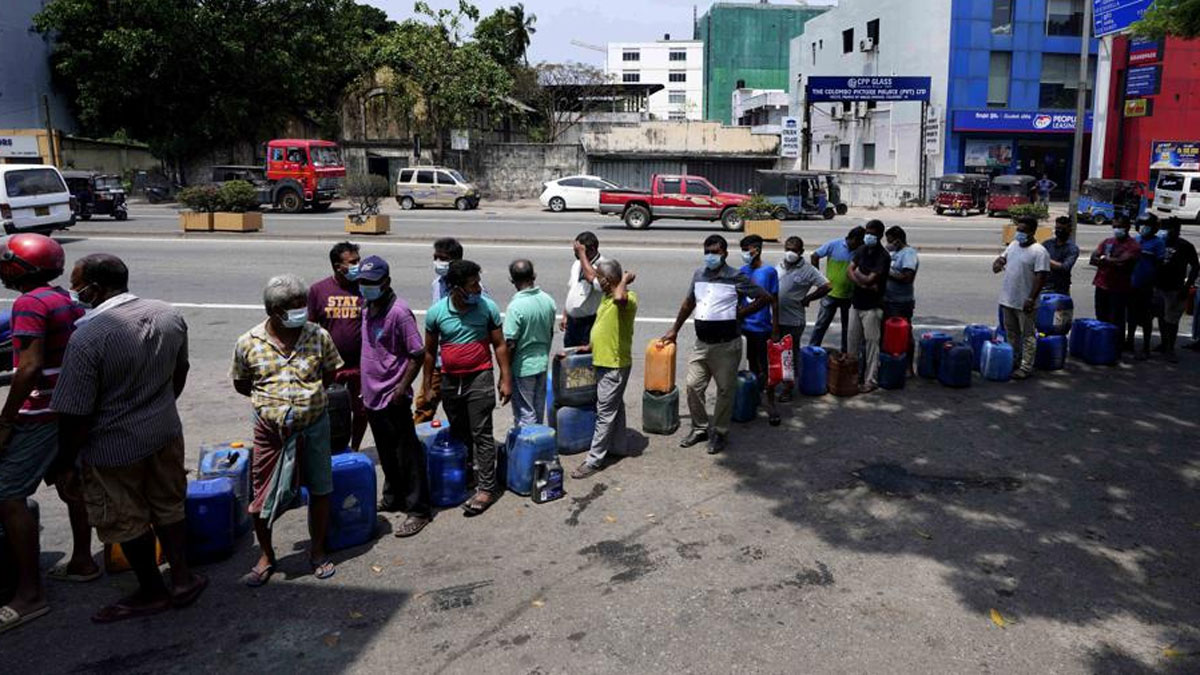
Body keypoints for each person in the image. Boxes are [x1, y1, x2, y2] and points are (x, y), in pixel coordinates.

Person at [52, 254, 207, 622]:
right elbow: (179, 372)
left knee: (125, 519)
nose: (75, 292)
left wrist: (64, 464)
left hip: (112, 449)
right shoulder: (167, 314)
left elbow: (74, 413)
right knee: (169, 504)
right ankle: (182, 579)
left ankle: (152, 591)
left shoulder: (88, 338)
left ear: (97, 287)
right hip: (164, 431)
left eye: (77, 285)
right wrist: (159, 406)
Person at [0, 235, 94, 633]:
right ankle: (83, 561)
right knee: (70, 482)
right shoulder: (65, 301)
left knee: (7, 492)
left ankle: (29, 595)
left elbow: (30, 367)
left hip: (41, 413)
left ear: (21, 267)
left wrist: (6, 420)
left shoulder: (29, 303)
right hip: (72, 407)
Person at [233, 274, 342, 586]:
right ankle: (266, 555)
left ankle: (317, 552)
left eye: (302, 306)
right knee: (261, 498)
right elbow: (242, 384)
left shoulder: (317, 335)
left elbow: (330, 373)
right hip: (271, 433)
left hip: (315, 425)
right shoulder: (249, 342)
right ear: (274, 311)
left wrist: (306, 403)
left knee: (321, 488)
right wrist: (277, 407)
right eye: (293, 308)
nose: (300, 312)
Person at [661, 235, 769, 455]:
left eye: (715, 252)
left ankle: (719, 432)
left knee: (724, 391)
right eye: (707, 252)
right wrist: (674, 330)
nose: (710, 256)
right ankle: (700, 427)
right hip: (702, 344)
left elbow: (764, 297)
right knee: (693, 385)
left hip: (727, 346)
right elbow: (688, 303)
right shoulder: (699, 274)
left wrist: (741, 313)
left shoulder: (735, 276)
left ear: (724, 254)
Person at [423, 260, 512, 516]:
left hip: (480, 378)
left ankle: (486, 488)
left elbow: (500, 345)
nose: (477, 289)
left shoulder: (487, 307)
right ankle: (468, 475)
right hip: (451, 381)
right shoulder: (437, 313)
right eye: (473, 285)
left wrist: (506, 379)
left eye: (478, 283)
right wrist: (427, 386)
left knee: (482, 433)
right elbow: (429, 353)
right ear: (456, 288)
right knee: (459, 432)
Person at [356, 256, 432, 536]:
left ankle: (419, 510)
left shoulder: (399, 312)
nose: (366, 287)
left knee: (407, 455)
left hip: (393, 396)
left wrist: (401, 389)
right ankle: (393, 498)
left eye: (371, 283)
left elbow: (417, 353)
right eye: (362, 282)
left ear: (386, 282)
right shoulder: (366, 306)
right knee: (386, 453)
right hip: (371, 395)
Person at [570, 259, 638, 479]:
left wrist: (625, 279)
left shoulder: (627, 298)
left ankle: (594, 460)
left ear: (608, 281)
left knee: (605, 413)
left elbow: (620, 298)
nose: (596, 280)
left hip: (614, 365)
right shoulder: (606, 297)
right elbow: (604, 325)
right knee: (614, 407)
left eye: (600, 277)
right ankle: (617, 447)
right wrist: (588, 346)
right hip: (602, 360)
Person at [307, 241, 367, 451]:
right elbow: (310, 328)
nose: (357, 266)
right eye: (352, 262)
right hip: (331, 367)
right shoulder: (318, 290)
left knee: (361, 411)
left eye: (358, 261)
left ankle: (355, 448)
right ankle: (331, 449)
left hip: (361, 365)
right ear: (337, 266)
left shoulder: (365, 288)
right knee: (330, 410)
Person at [415, 237, 469, 424]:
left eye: (443, 258)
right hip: (438, 360)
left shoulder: (472, 288)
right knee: (424, 405)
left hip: (460, 361)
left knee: (459, 410)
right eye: (435, 257)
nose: (438, 262)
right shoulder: (437, 284)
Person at [992, 217, 1050, 379]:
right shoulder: (1013, 245)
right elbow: (1003, 258)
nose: (1019, 233)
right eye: (1019, 230)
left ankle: (1025, 366)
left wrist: (1031, 298)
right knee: (1011, 333)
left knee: (1028, 335)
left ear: (1032, 231)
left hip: (1025, 301)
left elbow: (1041, 276)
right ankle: (1013, 360)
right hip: (1008, 298)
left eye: (1023, 230)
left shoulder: (1039, 252)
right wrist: (998, 263)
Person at [774, 236, 830, 402]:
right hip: (775, 319)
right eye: (788, 249)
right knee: (776, 353)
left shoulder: (808, 269)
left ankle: (788, 388)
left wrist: (808, 299)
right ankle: (778, 381)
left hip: (793, 321)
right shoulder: (780, 264)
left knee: (788, 355)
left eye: (794, 250)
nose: (790, 253)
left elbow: (827, 286)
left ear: (801, 252)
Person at [503, 259, 556, 426]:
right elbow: (549, 332)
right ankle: (540, 447)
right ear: (534, 276)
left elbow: (510, 344)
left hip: (522, 368)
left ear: (512, 280)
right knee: (538, 410)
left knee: (525, 413)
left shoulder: (515, 307)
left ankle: (529, 448)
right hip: (541, 363)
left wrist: (505, 374)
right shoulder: (548, 300)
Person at [737, 235, 781, 425]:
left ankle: (770, 401)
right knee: (751, 363)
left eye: (746, 250)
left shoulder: (769, 272)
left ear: (756, 250)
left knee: (766, 366)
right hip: (745, 327)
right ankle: (755, 395)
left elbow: (774, 301)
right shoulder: (742, 271)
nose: (744, 254)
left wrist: (775, 328)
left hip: (762, 327)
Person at [846, 220, 892, 393]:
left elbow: (870, 278)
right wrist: (863, 282)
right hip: (856, 303)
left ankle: (870, 380)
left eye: (872, 234)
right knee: (852, 343)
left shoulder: (882, 256)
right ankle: (851, 377)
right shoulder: (861, 250)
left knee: (872, 345)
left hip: (872, 307)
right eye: (867, 233)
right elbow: (849, 272)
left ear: (879, 235)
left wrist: (860, 277)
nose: (868, 236)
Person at [809, 226, 865, 352]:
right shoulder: (834, 244)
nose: (861, 244)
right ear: (853, 239)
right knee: (821, 325)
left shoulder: (861, 250)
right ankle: (812, 350)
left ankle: (845, 353)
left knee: (848, 328)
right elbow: (815, 256)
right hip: (830, 294)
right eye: (860, 241)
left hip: (850, 296)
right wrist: (819, 279)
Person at [1090, 215, 1140, 347]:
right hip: (1101, 284)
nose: (1117, 229)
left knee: (1116, 318)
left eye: (1120, 227)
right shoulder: (1108, 241)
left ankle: (1116, 346)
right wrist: (1109, 261)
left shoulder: (1133, 245)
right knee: (1101, 316)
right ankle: (1103, 343)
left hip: (1119, 288)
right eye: (1115, 226)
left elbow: (1123, 262)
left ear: (1128, 227)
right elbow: (1093, 258)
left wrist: (1104, 260)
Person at [1153, 218, 1198, 363]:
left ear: (1177, 230)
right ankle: (1163, 343)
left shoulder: (1185, 246)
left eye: (1171, 228)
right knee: (1161, 317)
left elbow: (1195, 267)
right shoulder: (1159, 242)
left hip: (1175, 289)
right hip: (1159, 286)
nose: (1167, 232)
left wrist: (1187, 286)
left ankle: (1170, 349)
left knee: (1171, 320)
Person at [1128, 214, 1164, 359]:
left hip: (1147, 287)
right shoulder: (1136, 240)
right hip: (1133, 284)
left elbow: (1160, 265)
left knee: (1146, 318)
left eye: (1146, 225)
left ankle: (1146, 347)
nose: (1143, 228)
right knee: (1131, 316)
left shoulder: (1158, 243)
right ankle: (1129, 342)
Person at [883, 225, 919, 375]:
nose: (888, 243)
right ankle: (892, 365)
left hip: (901, 302)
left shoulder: (908, 254)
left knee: (905, 333)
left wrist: (886, 271)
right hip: (888, 299)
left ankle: (908, 367)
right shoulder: (895, 252)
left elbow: (907, 277)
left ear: (898, 241)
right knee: (889, 334)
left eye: (890, 240)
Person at [561, 232, 605, 348]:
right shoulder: (577, 264)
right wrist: (565, 314)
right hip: (572, 323)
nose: (576, 254)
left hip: (588, 324)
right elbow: (572, 288)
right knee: (569, 357)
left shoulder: (602, 266)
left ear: (591, 249)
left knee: (583, 361)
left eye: (579, 250)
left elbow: (593, 279)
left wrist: (582, 255)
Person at [1041, 216, 1080, 296]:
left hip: (1060, 289)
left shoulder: (1072, 249)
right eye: (1057, 228)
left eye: (1063, 229)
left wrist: (1045, 259)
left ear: (1069, 230)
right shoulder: (1047, 244)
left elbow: (1064, 267)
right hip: (1043, 286)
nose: (1059, 231)